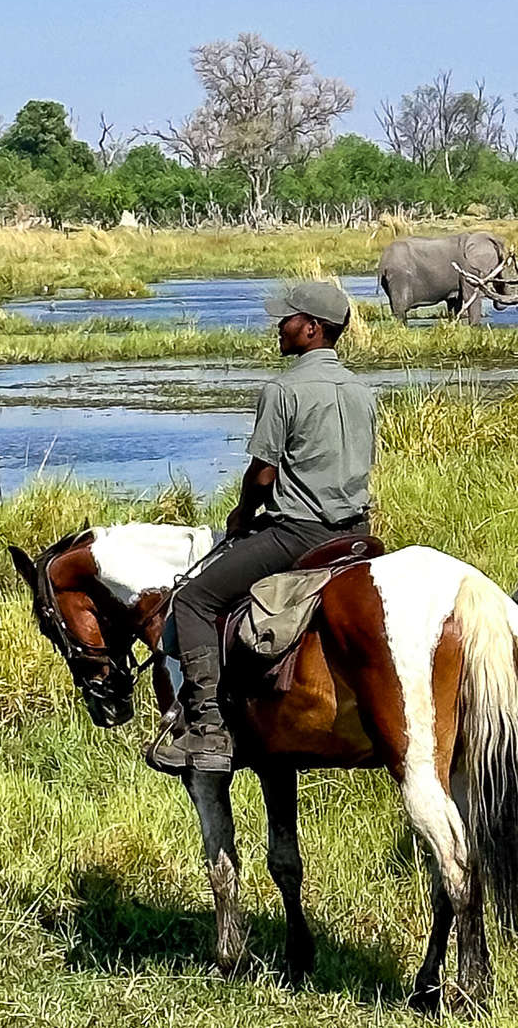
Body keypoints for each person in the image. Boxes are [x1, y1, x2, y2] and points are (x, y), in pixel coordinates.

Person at [148, 281, 376, 775]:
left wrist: (242, 513)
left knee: (193, 600)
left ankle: (208, 727)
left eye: (288, 319)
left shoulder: (282, 390)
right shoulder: (362, 390)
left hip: (299, 535)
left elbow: (264, 473)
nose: (280, 326)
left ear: (312, 329)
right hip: (356, 533)